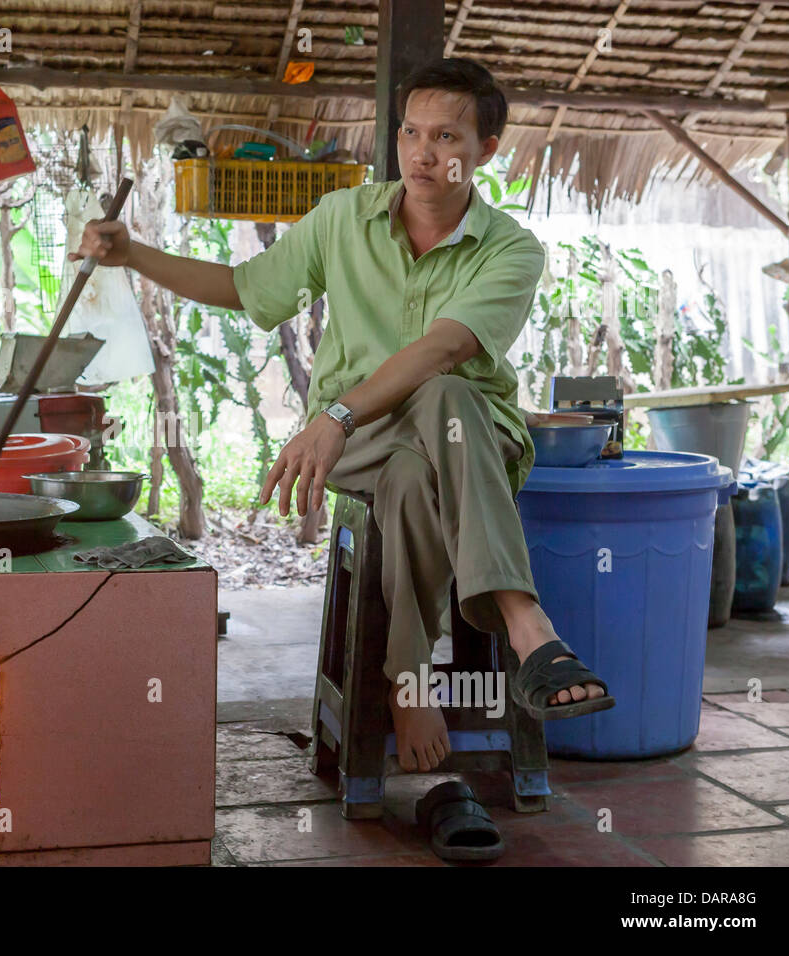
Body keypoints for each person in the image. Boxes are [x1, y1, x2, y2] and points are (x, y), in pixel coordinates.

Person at [71, 57, 614, 773]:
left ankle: (406, 677)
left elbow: (445, 348)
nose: (424, 154)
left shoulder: (511, 248)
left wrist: (335, 412)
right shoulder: (342, 217)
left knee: (432, 431)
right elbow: (244, 288)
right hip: (361, 439)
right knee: (418, 436)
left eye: (448, 138)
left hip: (464, 439)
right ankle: (528, 625)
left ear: (485, 151)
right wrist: (134, 253)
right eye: (411, 133)